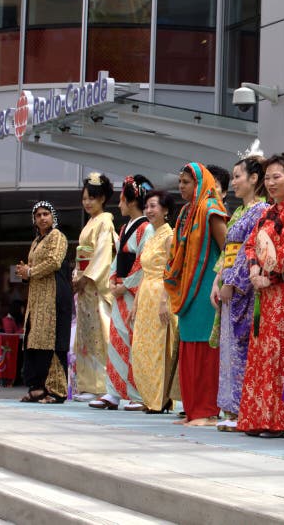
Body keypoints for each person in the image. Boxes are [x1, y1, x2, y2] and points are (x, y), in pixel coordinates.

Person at [236, 153, 284, 437]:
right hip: (265, 293)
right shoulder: (267, 212)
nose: (270, 182)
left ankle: (283, 420)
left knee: (280, 353)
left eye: (276, 177)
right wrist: (255, 268)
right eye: (267, 177)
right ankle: (260, 417)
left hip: (283, 292)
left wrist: (268, 273)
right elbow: (249, 246)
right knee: (262, 353)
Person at [164, 163, 228, 426]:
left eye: (187, 182)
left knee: (205, 348)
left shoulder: (211, 209)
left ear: (201, 183)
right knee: (189, 347)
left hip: (206, 287)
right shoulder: (186, 212)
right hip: (188, 288)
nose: (181, 186)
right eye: (180, 181)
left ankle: (207, 411)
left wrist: (221, 282)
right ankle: (193, 410)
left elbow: (228, 249)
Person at [212, 149, 269, 432]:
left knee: (242, 347)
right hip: (229, 284)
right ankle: (231, 407)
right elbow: (228, 250)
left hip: (244, 289)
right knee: (230, 349)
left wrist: (233, 282)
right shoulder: (238, 211)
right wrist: (218, 280)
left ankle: (242, 409)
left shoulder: (261, 210)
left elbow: (251, 249)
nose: (233, 182)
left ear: (254, 178)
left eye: (237, 177)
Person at [89, 175, 154, 411]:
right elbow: (118, 258)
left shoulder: (146, 228)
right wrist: (113, 281)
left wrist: (125, 285)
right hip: (120, 290)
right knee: (117, 340)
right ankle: (113, 392)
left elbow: (143, 261)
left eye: (121, 200)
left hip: (135, 293)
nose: (119, 205)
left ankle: (138, 394)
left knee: (135, 341)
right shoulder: (125, 227)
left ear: (131, 201)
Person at [16, 201, 72, 404]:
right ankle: (38, 388)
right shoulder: (36, 241)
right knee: (35, 341)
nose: (42, 218)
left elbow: (54, 262)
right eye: (38, 215)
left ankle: (57, 392)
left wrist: (30, 271)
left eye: (45, 214)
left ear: (53, 216)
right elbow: (34, 266)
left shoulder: (57, 236)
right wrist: (25, 272)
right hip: (37, 298)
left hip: (54, 294)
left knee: (52, 340)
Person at [130, 190, 178, 414]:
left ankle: (160, 399)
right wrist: (137, 302)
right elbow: (144, 271)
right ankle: (151, 396)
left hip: (161, 293)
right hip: (147, 292)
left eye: (153, 206)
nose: (149, 211)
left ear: (166, 210)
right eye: (147, 206)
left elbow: (171, 271)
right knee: (143, 347)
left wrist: (164, 301)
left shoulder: (169, 235)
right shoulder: (152, 234)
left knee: (159, 347)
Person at [71, 172, 116, 402]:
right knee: (86, 336)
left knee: (100, 333)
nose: (88, 202)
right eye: (85, 197)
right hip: (85, 287)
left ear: (103, 199)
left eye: (93, 198)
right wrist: (77, 276)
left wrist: (86, 277)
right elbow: (83, 256)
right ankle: (89, 385)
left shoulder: (105, 221)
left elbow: (102, 256)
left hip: (95, 286)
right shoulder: (91, 222)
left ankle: (103, 386)